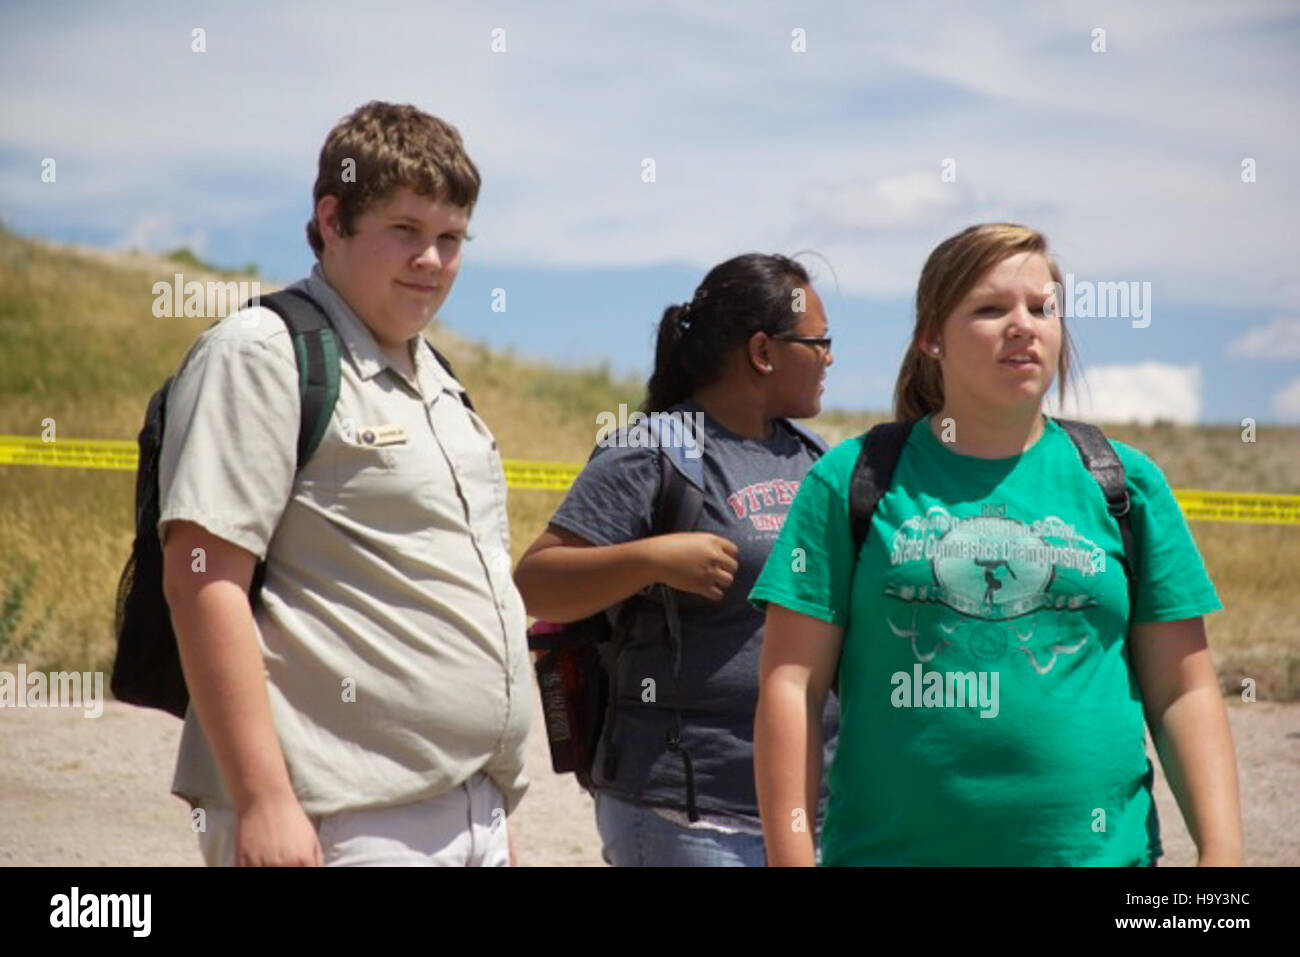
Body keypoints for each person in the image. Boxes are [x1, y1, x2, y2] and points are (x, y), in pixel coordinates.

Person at [751, 223, 1244, 867]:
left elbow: (1183, 689)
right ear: (931, 337)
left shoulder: (1125, 485)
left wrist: (1223, 856)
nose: (1023, 325)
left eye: (1042, 309)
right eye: (991, 308)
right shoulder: (851, 483)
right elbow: (792, 686)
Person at [159, 101, 531, 866]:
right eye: (405, 230)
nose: (431, 259)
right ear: (332, 220)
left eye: (451, 238)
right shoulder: (262, 354)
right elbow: (202, 581)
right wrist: (264, 801)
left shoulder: (440, 380)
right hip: (340, 820)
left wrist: (483, 810)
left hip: (468, 811)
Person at [513, 253, 840, 866]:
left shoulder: (815, 458)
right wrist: (650, 560)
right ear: (763, 352)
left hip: (807, 812)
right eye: (818, 341)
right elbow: (535, 585)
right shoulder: (654, 451)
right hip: (689, 816)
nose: (829, 357)